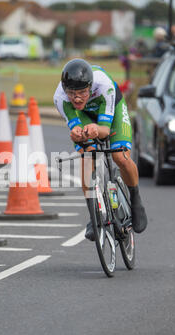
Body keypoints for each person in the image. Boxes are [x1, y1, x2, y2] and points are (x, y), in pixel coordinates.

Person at [53, 58, 147, 240]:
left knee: (120, 157)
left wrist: (97, 130)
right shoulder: (60, 98)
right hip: (85, 115)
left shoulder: (104, 85)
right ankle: (94, 215)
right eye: (72, 93)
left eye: (82, 92)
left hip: (112, 109)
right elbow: (74, 127)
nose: (77, 98)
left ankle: (136, 199)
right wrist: (77, 133)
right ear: (65, 91)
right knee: (88, 156)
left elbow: (104, 130)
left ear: (90, 86)